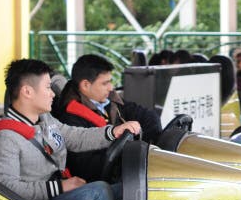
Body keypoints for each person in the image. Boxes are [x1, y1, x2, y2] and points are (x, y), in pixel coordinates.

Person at [0, 59, 141, 200]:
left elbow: (76, 137)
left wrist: (113, 132)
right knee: (98, 192)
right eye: (47, 87)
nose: (53, 94)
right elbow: (7, 188)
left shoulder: (45, 120)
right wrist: (60, 187)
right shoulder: (5, 137)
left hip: (59, 197)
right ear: (27, 92)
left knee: (131, 188)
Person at [53, 54, 163, 182]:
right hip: (99, 185)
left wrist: (152, 146)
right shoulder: (70, 119)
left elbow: (148, 116)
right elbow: (88, 169)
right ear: (85, 85)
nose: (111, 88)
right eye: (105, 83)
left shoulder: (111, 103)